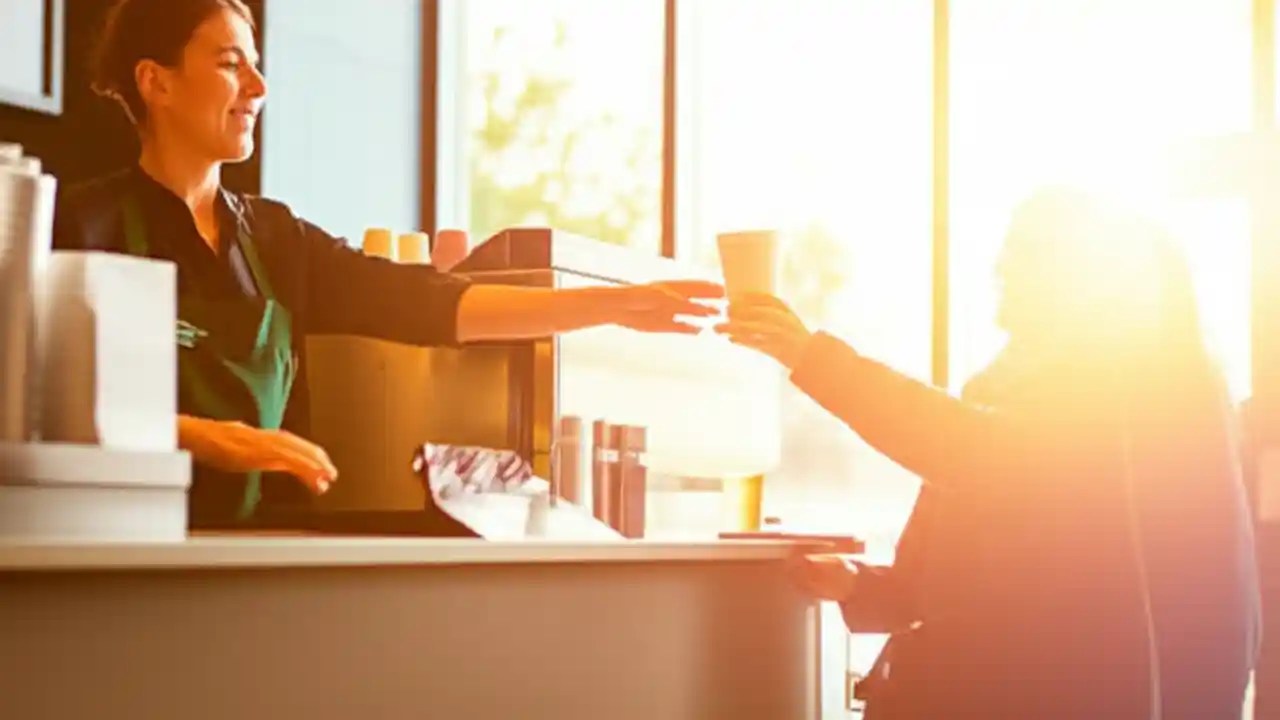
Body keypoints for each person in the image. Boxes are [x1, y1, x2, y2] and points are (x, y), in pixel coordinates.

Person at [54, 0, 721, 528]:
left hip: (264, 553)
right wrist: (204, 437)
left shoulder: (275, 237)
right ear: (155, 81)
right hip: (122, 549)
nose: (257, 86)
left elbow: (429, 303)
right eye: (231, 63)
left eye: (256, 65)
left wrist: (614, 305)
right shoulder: (79, 227)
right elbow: (44, 411)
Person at [719, 188, 1261, 718]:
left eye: (1022, 253)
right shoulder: (1010, 388)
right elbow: (940, 574)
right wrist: (858, 583)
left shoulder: (1144, 383)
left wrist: (812, 357)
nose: (1000, 267)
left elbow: (988, 458)